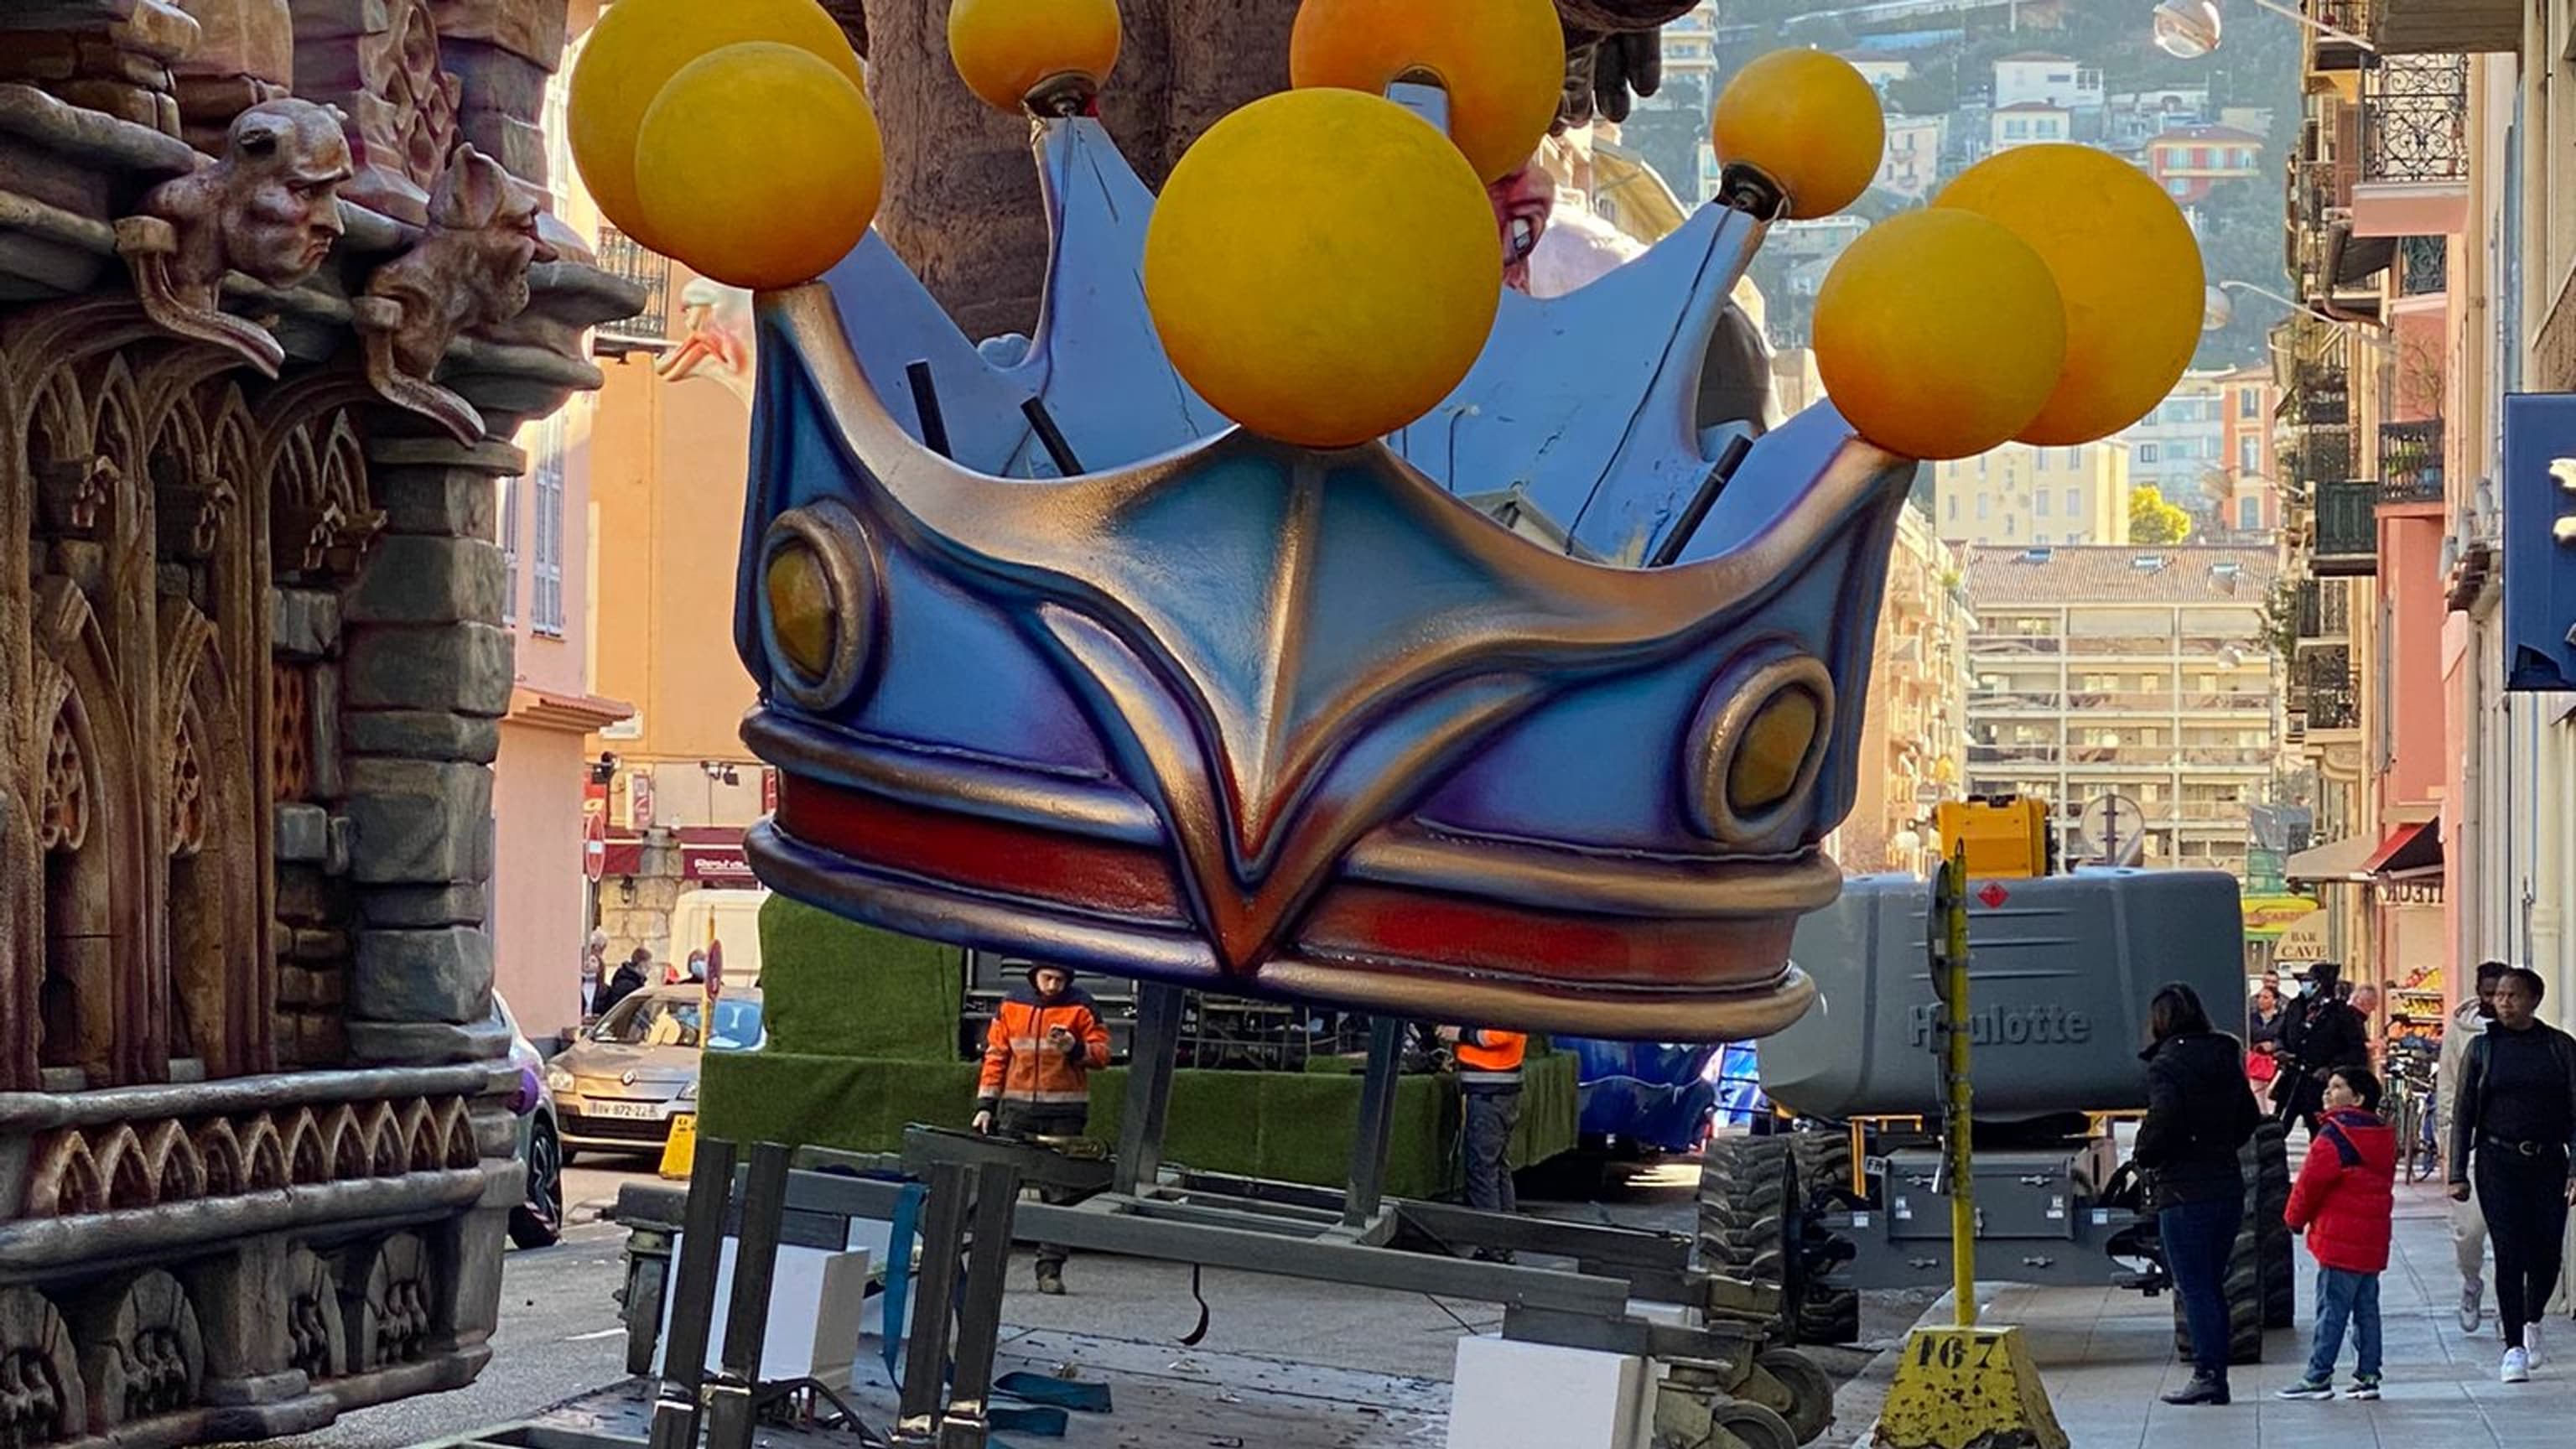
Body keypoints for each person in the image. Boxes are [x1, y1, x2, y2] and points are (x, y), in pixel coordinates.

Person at [2445, 965, 2576, 1384]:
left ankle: (2533, 1317)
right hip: (2496, 1160)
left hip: (2548, 1161)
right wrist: (2456, 1172)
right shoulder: (2483, 1050)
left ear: (2533, 1000)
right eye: (2499, 996)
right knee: (2508, 1250)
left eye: (2512, 995)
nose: (2503, 1002)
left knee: (2547, 1250)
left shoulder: (2559, 1048)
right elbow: (2464, 1112)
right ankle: (2514, 1346)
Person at [2135, 981, 2259, 1406]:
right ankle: (2215, 1374)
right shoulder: (2225, 1055)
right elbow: (2249, 1116)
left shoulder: (2167, 1064)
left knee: (2194, 1287)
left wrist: (2146, 1153)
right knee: (2214, 1284)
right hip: (2226, 1183)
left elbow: (2163, 1119)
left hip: (2184, 1190)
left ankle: (2208, 1373)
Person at [972, 962, 1111, 1295]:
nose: (1053, 986)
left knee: (1060, 1194)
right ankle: (987, 1268)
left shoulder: (1083, 1006)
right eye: (1048, 978)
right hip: (1017, 1110)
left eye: (1061, 980)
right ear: (1034, 976)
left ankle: (1050, 1271)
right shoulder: (1011, 1004)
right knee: (1002, 1189)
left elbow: (1103, 1054)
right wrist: (985, 1106)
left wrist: (1075, 1048)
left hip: (1064, 1112)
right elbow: (996, 1055)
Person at [2277, 1065, 2398, 1401]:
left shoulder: (2334, 1136)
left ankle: (2318, 1375)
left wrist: (2293, 1219)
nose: (2327, 1093)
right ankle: (2369, 1375)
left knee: (2331, 1308)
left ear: (2357, 1097)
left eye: (2337, 1087)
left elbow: (2309, 1184)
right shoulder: (2383, 1135)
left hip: (2339, 1239)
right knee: (2367, 1310)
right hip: (2372, 1238)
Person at [2439, 960, 2511, 1332]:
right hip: (2468, 1143)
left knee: (2507, 1231)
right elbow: (2447, 1086)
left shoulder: (2521, 1032)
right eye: (2489, 994)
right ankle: (2471, 1281)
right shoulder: (2461, 1031)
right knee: (2471, 1230)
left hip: (2510, 1143)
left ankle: (2507, 1305)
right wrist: (2448, 1140)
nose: (2495, 1001)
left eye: (2501, 994)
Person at [1438, 1022, 1529, 1259]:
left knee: (1483, 1169)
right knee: (1497, 1168)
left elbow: (1497, 1036)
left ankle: (1491, 1247)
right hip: (1499, 1089)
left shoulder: (1504, 999)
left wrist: (1459, 1034)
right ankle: (1502, 1244)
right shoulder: (1512, 995)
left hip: (1490, 1091)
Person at [2272, 961, 2369, 1135]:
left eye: (2311, 981)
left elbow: (2355, 1051)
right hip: (2293, 1078)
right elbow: (2281, 1034)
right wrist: (2279, 1050)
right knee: (2278, 1129)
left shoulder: (2341, 1014)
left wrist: (2330, 1069)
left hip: (2319, 1084)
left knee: (2320, 1131)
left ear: (2322, 985)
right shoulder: (2296, 1006)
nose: (2305, 986)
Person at [2246, 980, 2286, 1098]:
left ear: (2274, 1000)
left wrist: (2274, 1046)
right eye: (2259, 997)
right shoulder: (2251, 1018)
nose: (2261, 1000)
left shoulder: (2282, 1019)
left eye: (2265, 997)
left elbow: (2285, 1037)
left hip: (2275, 1063)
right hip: (2255, 1063)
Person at [594, 948, 649, 1020]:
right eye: (648, 964)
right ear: (642, 964)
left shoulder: (632, 979)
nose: (649, 967)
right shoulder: (628, 983)